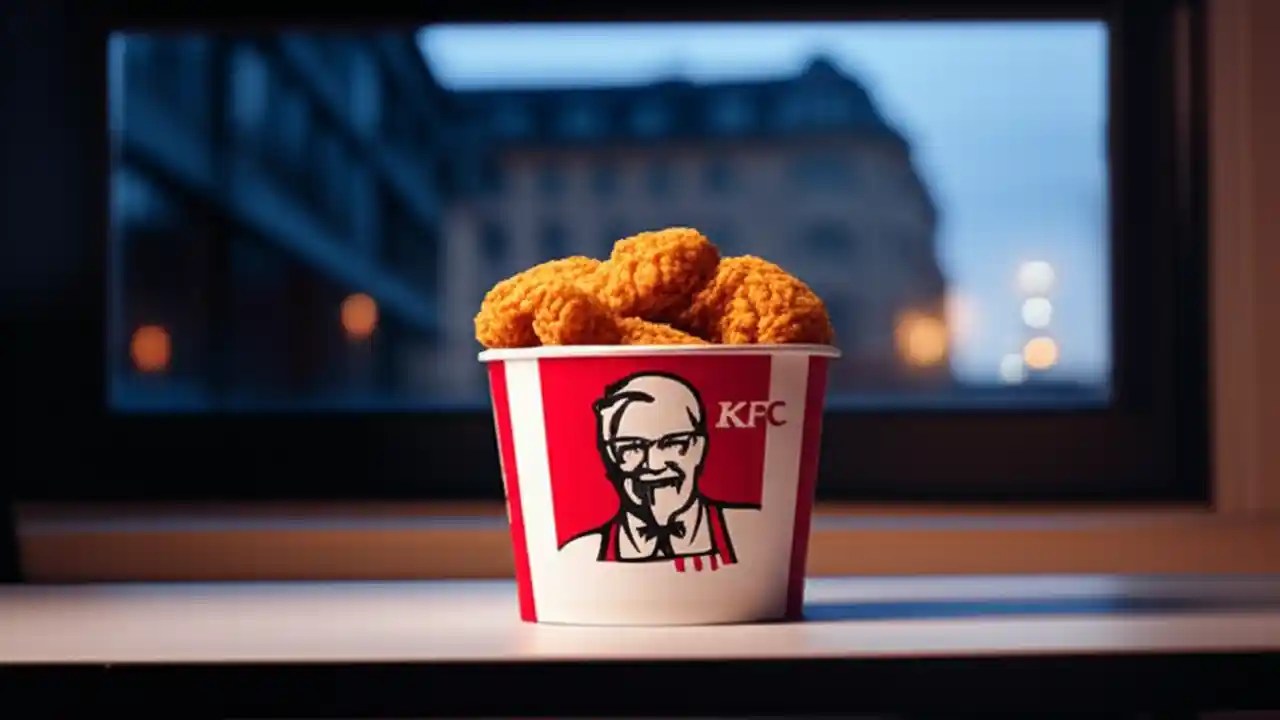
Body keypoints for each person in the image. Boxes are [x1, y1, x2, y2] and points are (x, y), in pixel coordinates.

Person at [563, 371, 751, 569]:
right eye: (632, 447)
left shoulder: (753, 531)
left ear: (699, 448)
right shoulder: (580, 554)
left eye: (672, 444)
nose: (654, 464)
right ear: (610, 456)